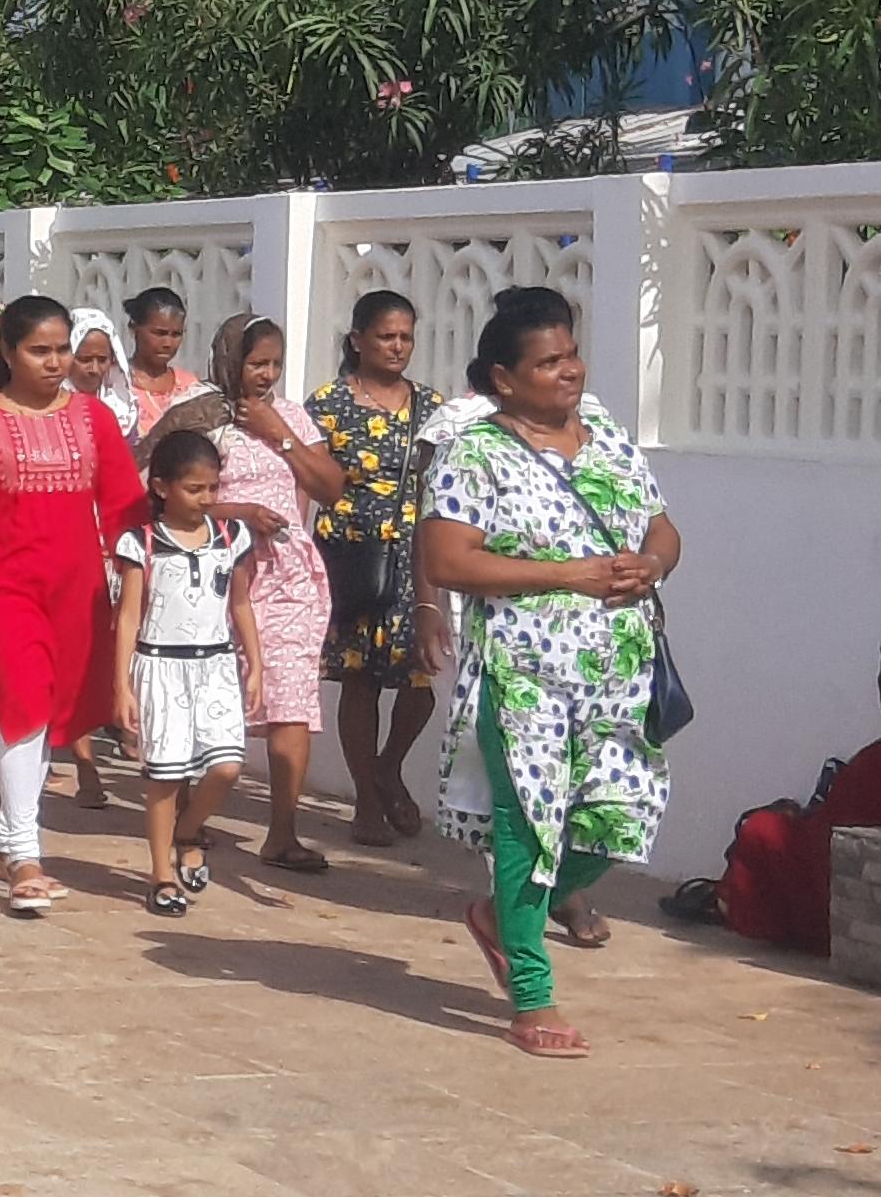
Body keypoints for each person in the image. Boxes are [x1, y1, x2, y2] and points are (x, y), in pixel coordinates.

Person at [419, 285, 680, 1058]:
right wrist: (568, 576)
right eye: (548, 362)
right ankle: (532, 996)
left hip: (621, 672)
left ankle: (503, 918)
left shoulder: (604, 431)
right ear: (505, 378)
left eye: (571, 356)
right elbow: (445, 559)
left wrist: (650, 567)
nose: (568, 372)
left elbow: (663, 526)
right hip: (525, 671)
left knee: (620, 817)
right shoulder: (478, 452)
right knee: (527, 826)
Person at [0, 296, 144, 916]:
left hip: (76, 595)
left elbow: (127, 507)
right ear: (8, 354)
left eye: (61, 350)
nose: (54, 363)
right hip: (0, 591)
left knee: (46, 712)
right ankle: (23, 853)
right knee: (21, 708)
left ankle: (13, 838)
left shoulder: (95, 420)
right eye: (39, 351)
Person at [160, 313, 345, 873]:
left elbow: (330, 487)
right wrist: (237, 512)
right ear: (230, 361)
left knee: (292, 703)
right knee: (208, 691)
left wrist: (277, 433)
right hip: (213, 577)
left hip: (288, 581)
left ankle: (283, 832)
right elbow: (161, 495)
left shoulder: (290, 417)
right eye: (255, 363)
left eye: (274, 364)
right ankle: (188, 812)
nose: (265, 375)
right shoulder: (199, 421)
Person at [672, 622, 881, 953]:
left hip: (860, 893)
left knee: (760, 830)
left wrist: (791, 821)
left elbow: (831, 846)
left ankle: (730, 904)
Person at [308, 291, 446, 842]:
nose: (397, 347)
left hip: (415, 558)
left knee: (420, 682)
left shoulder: (432, 408)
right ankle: (366, 800)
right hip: (351, 554)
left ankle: (389, 766)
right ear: (357, 340)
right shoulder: (329, 404)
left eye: (405, 336)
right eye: (386, 336)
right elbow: (313, 483)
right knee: (360, 681)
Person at [111, 429, 261, 916]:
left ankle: (189, 830)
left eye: (213, 488)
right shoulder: (142, 543)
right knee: (164, 776)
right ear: (161, 488)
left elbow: (240, 602)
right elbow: (129, 616)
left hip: (215, 665)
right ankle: (159, 873)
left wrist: (255, 664)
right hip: (160, 666)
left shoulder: (231, 537)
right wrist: (122, 686)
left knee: (226, 765)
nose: (206, 499)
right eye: (194, 489)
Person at [122, 288, 206, 432]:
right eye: (159, 333)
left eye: (176, 334)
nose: (168, 343)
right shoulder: (117, 384)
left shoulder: (190, 387)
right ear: (134, 329)